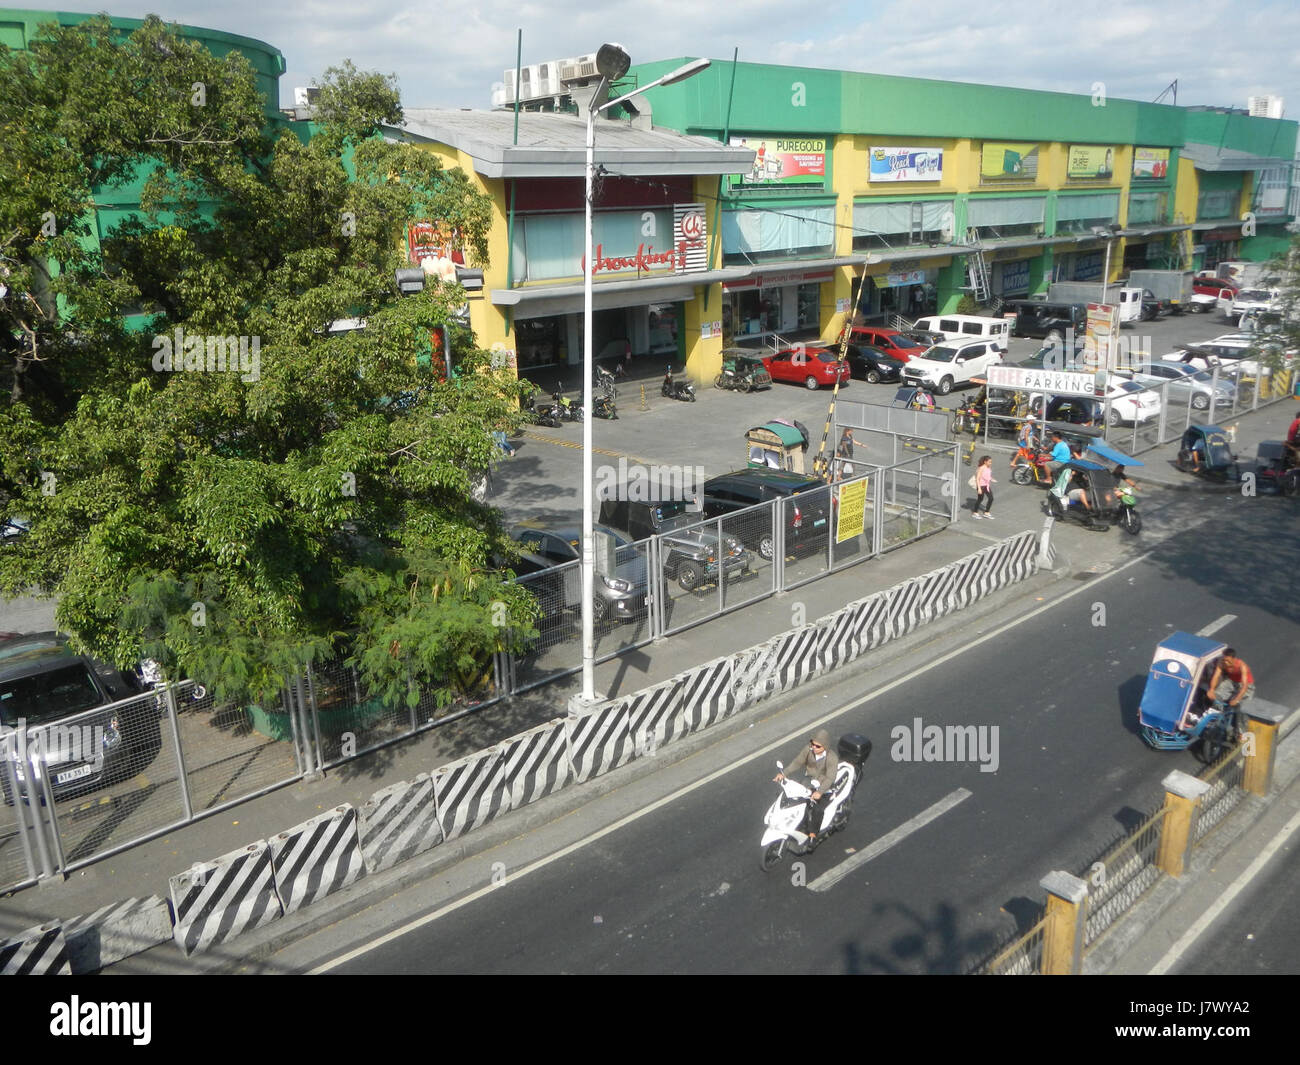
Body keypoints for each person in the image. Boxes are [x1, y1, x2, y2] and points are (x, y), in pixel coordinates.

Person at [774, 728, 840, 843]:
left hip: (824, 786)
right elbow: (797, 762)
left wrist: (820, 792)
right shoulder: (808, 750)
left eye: (818, 746)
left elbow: (830, 778)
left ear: (825, 747)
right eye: (813, 744)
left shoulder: (832, 758)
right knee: (792, 797)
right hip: (809, 781)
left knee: (817, 809)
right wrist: (783, 774)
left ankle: (813, 835)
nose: (814, 747)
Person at [1207, 648, 1255, 736]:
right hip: (1231, 682)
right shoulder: (1222, 663)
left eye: (1228, 661)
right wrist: (1211, 690)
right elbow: (1216, 676)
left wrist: (1236, 699)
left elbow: (1244, 686)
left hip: (1245, 686)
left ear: (1234, 659)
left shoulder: (1242, 666)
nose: (1226, 663)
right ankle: (1217, 718)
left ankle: (1242, 732)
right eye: (1224, 660)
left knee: (1242, 709)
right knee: (1216, 695)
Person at [974, 455, 995, 519]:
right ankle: (975, 512)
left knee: (991, 498)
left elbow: (987, 475)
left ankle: (986, 512)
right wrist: (979, 488)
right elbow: (977, 479)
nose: (990, 463)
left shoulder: (988, 467)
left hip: (986, 486)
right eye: (989, 462)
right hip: (981, 486)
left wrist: (991, 479)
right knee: (980, 499)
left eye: (991, 462)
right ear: (985, 462)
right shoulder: (981, 468)